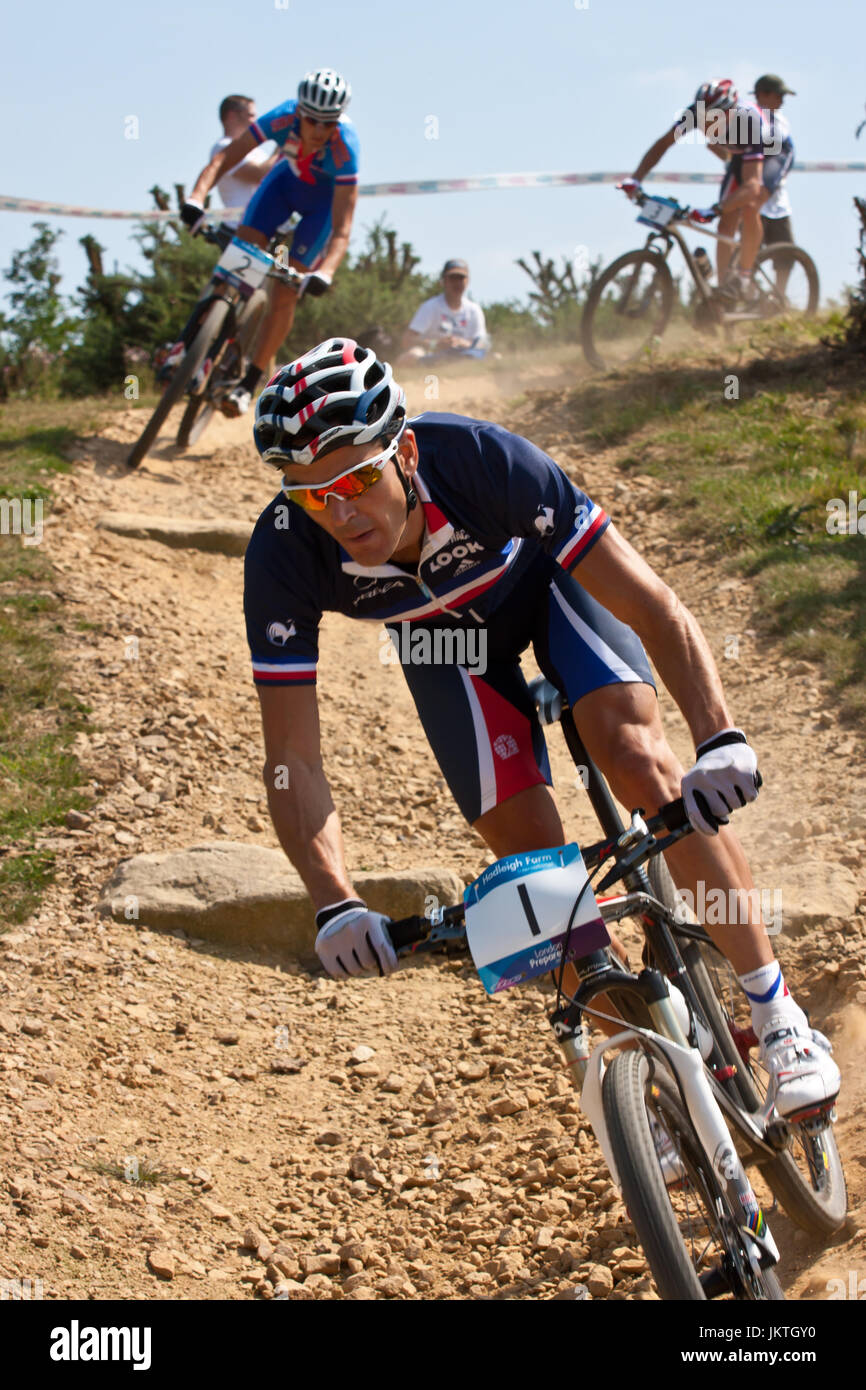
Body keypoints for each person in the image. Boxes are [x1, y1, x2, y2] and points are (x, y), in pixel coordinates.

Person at [242, 337, 841, 1124]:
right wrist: (334, 903)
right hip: (443, 646)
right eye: (314, 495)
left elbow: (653, 605)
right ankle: (647, 1070)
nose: (340, 511)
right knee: (533, 875)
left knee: (634, 761)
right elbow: (290, 757)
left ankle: (778, 1014)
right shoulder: (284, 553)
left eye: (356, 478)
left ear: (407, 452)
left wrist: (719, 737)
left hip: (549, 590)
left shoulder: (485, 463)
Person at [180, 69, 359, 417]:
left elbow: (341, 229)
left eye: (329, 123)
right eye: (312, 121)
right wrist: (196, 198)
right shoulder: (282, 117)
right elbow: (225, 159)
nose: (320, 131)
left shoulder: (346, 150)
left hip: (320, 207)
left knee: (286, 291)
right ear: (299, 114)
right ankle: (192, 345)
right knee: (238, 260)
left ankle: (249, 382)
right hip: (283, 185)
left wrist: (326, 272)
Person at [622, 79, 778, 304]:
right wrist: (635, 178)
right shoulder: (695, 112)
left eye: (715, 117)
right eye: (705, 118)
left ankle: (744, 278)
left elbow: (753, 185)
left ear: (730, 112)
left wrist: (714, 209)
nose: (708, 124)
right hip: (738, 153)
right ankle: (724, 292)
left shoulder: (749, 121)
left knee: (751, 205)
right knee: (725, 223)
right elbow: (664, 143)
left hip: (773, 152)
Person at [753, 76, 797, 297]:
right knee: (747, 254)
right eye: (779, 95)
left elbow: (784, 157)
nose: (782, 100)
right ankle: (745, 299)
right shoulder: (747, 118)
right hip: (752, 200)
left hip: (777, 201)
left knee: (786, 254)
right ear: (763, 95)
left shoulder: (781, 121)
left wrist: (769, 185)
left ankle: (778, 298)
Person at [399, 260, 490, 363]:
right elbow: (406, 340)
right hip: (431, 355)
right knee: (413, 355)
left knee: (495, 357)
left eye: (461, 278)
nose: (457, 283)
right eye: (452, 278)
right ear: (444, 281)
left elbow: (482, 343)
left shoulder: (474, 310)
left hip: (464, 355)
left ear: (467, 281)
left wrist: (461, 343)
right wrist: (435, 344)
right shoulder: (430, 307)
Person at [209, 95, 279, 227]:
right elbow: (259, 174)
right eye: (250, 115)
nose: (255, 121)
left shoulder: (258, 152)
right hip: (237, 229)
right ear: (232, 116)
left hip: (262, 228)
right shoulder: (223, 147)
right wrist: (284, 146)